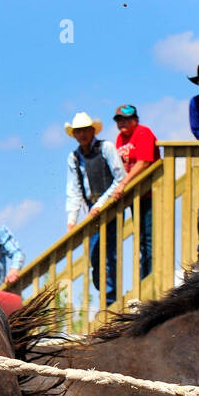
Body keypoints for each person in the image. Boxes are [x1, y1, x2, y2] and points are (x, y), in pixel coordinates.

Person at [64, 112, 126, 306]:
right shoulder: (74, 157)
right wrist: (72, 219)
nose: (82, 134)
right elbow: (73, 189)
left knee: (110, 253)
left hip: (110, 206)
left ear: (92, 131)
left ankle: (110, 300)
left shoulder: (106, 148)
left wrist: (100, 205)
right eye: (78, 131)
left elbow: (120, 177)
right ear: (74, 134)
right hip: (91, 209)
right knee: (95, 255)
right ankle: (106, 294)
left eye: (85, 130)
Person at [113, 104, 160, 281]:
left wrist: (123, 184)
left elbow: (144, 162)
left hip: (150, 193)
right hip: (135, 195)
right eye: (118, 120)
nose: (122, 123)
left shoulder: (143, 132)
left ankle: (150, 278)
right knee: (141, 239)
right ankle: (144, 279)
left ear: (135, 120)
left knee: (149, 239)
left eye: (126, 119)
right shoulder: (120, 138)